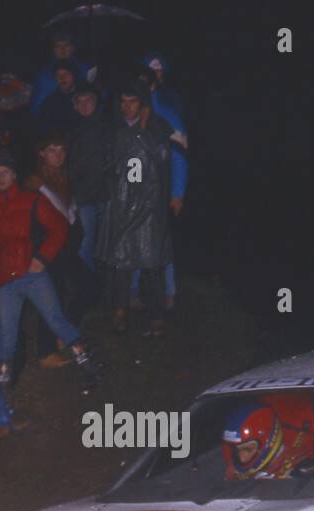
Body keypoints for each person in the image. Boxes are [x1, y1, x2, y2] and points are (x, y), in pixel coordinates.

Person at [0, 150, 98, 391]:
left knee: (55, 318)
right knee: (5, 332)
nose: (0, 177)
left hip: (33, 275)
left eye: (5, 172)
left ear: (13, 176)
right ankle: (3, 385)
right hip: (5, 281)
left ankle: (88, 363)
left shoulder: (31, 200)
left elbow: (59, 227)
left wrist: (42, 257)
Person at [97, 81, 176, 338]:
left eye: (132, 102)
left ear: (142, 104)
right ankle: (119, 311)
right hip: (121, 204)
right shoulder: (112, 129)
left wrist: (144, 131)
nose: (126, 107)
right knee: (121, 262)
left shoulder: (157, 126)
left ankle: (156, 314)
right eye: (123, 102)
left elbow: (166, 158)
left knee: (152, 262)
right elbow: (106, 164)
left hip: (150, 206)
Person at [22, 133, 91, 369]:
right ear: (41, 153)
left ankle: (64, 331)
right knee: (51, 297)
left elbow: (71, 216)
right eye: (52, 150)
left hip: (66, 249)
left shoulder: (64, 177)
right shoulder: (34, 182)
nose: (58, 155)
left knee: (87, 285)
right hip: (46, 251)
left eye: (61, 150)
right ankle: (45, 352)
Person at [130, 65, 188, 312]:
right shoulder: (126, 114)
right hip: (134, 192)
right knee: (132, 240)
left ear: (154, 86)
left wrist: (177, 193)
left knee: (162, 241)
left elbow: (180, 156)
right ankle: (132, 291)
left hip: (162, 190)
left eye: (146, 85)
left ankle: (169, 291)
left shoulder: (167, 115)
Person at [222, 394, 314, 480]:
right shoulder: (233, 470)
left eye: (248, 449)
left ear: (268, 440)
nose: (242, 458)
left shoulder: (303, 466)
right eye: (237, 450)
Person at [67, 83, 109, 272]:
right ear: (74, 106)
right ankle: (88, 286)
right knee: (85, 244)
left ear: (96, 102)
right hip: (83, 198)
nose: (84, 106)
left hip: (106, 195)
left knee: (109, 244)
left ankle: (112, 287)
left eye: (89, 101)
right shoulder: (70, 130)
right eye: (80, 102)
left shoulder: (108, 126)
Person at [30, 32, 93, 116]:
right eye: (58, 46)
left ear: (72, 48)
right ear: (53, 50)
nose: (62, 50)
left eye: (66, 45)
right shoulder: (43, 76)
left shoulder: (86, 68)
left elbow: (98, 93)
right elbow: (36, 108)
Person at [35, 61, 82, 137]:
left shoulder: (84, 97)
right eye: (58, 75)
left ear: (74, 76)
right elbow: (42, 127)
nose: (62, 78)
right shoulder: (50, 101)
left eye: (66, 74)